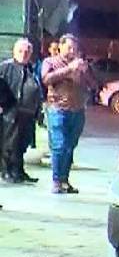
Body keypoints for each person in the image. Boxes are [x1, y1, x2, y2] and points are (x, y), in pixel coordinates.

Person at [39, 33, 95, 194]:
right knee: (59, 145)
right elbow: (46, 79)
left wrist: (85, 71)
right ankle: (56, 181)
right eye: (69, 47)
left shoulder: (80, 64)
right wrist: (68, 69)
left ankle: (65, 180)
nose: (72, 51)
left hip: (77, 110)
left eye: (75, 48)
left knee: (70, 146)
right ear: (60, 46)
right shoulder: (51, 62)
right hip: (58, 109)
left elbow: (93, 84)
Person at [0, 38, 42, 183]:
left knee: (22, 143)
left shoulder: (31, 68)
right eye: (21, 51)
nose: (24, 54)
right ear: (14, 51)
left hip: (28, 113)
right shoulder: (6, 67)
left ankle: (19, 170)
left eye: (27, 51)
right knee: (9, 144)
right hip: (11, 112)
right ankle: (7, 171)